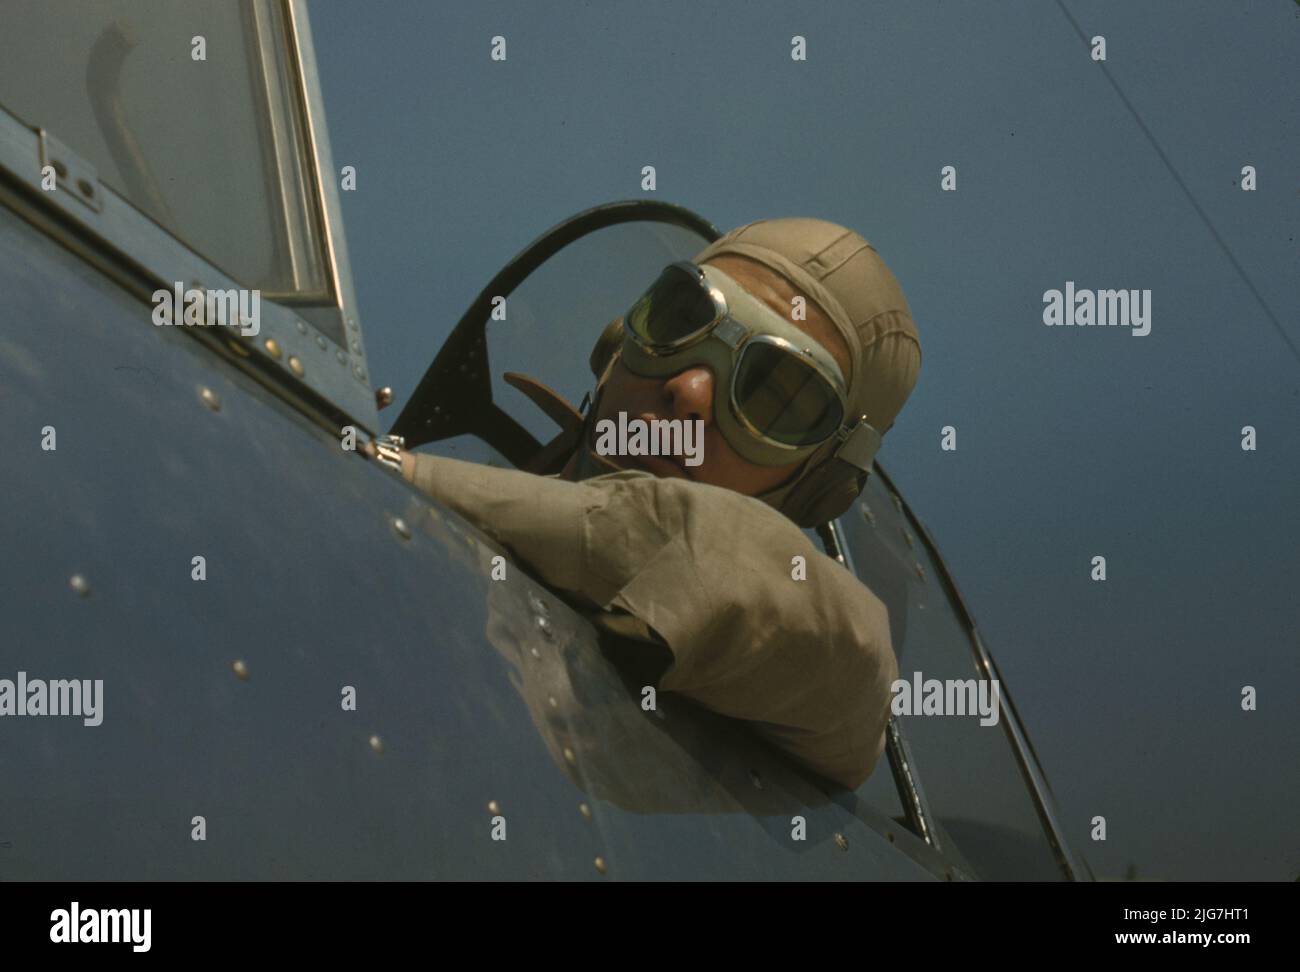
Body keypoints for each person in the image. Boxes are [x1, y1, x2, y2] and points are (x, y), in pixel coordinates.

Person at [372, 217, 922, 790]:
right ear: (616, 347)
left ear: (819, 485)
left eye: (771, 395)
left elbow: (724, 560)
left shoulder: (825, 660)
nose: (688, 391)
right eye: (681, 320)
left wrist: (392, 473)